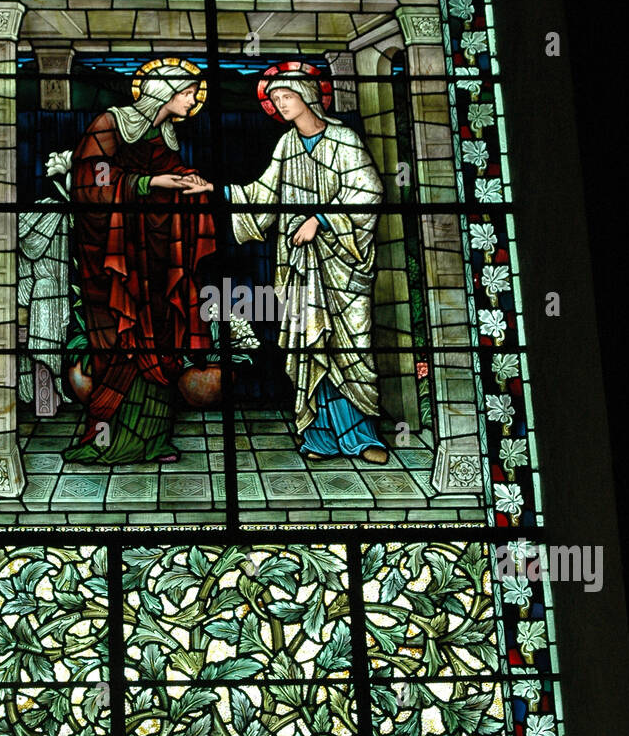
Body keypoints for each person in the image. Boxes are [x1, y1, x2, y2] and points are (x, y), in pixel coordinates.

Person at [207, 64, 389, 463]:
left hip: (342, 262)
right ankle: (320, 436)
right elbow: (263, 192)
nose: (280, 104)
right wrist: (216, 189)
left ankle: (362, 436)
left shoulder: (343, 139)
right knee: (309, 345)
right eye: (274, 99)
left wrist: (320, 220)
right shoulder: (287, 144)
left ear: (307, 94)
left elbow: (368, 192)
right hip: (299, 262)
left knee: (349, 343)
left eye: (286, 96)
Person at [63, 59, 214, 464]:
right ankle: (106, 440)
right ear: (165, 91)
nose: (192, 99)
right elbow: (89, 182)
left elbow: (167, 178)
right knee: (119, 344)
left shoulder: (167, 137)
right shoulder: (110, 125)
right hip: (114, 262)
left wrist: (188, 182)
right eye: (187, 92)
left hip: (158, 260)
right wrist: (146, 184)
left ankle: (154, 438)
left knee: (158, 339)